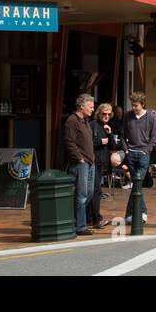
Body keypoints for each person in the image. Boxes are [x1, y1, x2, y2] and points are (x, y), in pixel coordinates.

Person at [121, 91, 156, 223]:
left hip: (143, 155)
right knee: (135, 185)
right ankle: (133, 214)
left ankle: (139, 213)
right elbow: (122, 134)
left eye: (136, 105)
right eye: (132, 105)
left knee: (137, 184)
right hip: (131, 154)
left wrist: (146, 151)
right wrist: (126, 150)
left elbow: (154, 137)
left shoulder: (150, 117)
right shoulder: (128, 116)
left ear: (142, 104)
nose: (133, 108)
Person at [62, 93, 96, 236]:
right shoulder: (72, 121)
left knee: (89, 192)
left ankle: (76, 219)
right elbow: (69, 142)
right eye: (90, 106)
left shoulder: (85, 121)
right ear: (81, 106)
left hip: (90, 162)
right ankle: (80, 226)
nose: (92, 109)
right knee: (81, 195)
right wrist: (80, 158)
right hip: (80, 163)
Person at [88, 103, 115, 228]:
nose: (107, 116)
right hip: (93, 162)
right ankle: (96, 219)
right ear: (99, 113)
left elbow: (114, 146)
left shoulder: (106, 127)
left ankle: (91, 217)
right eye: (104, 114)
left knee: (96, 190)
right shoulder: (93, 125)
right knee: (95, 190)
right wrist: (100, 141)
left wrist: (109, 134)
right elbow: (87, 144)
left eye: (109, 114)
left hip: (102, 164)